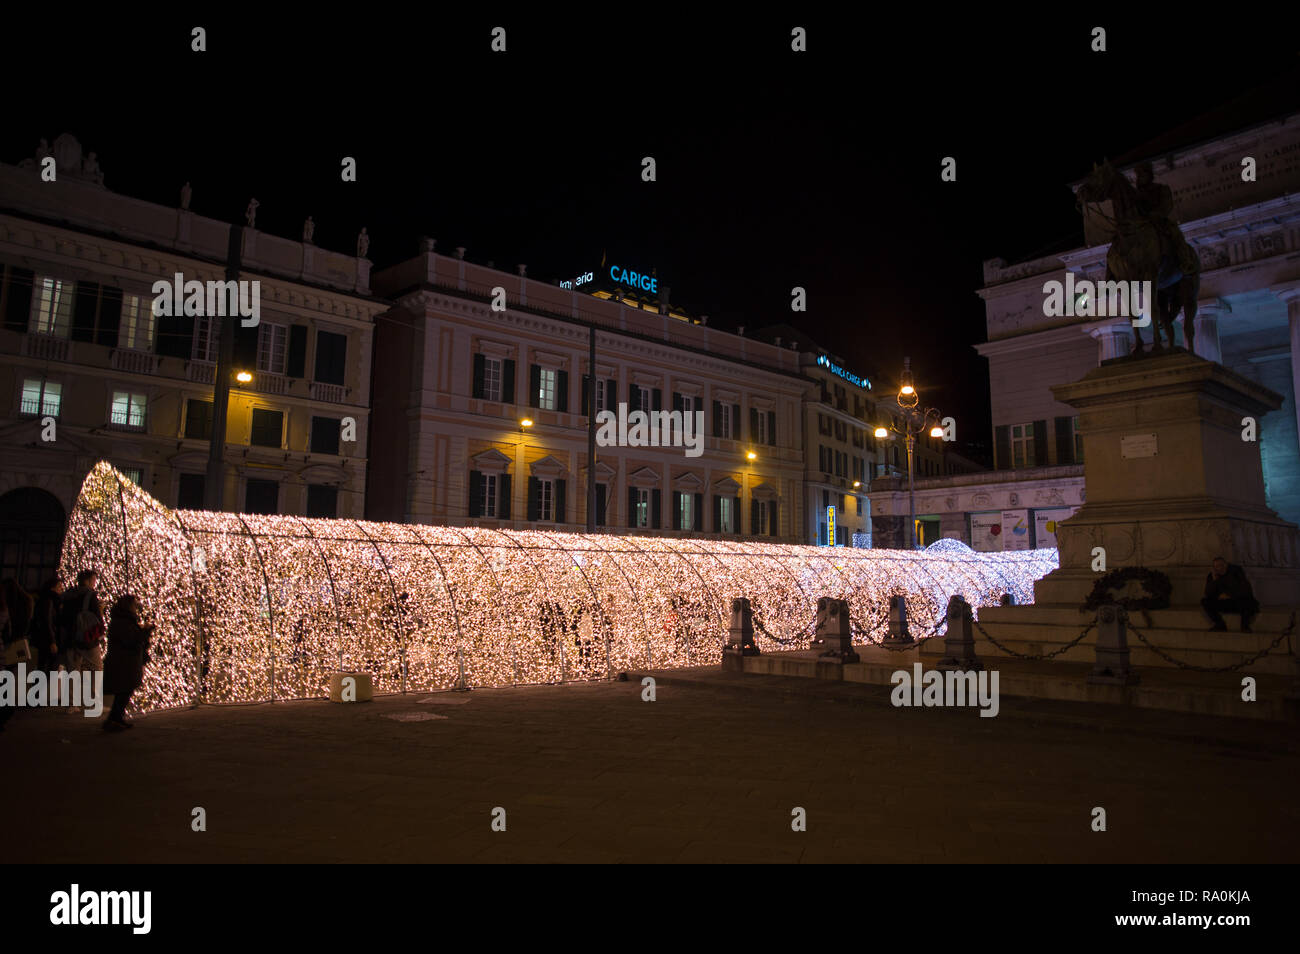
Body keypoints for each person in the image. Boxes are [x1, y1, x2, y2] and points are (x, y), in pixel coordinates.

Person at [103, 594, 154, 731]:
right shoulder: (123, 621)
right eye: (134, 605)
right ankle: (114, 719)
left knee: (124, 691)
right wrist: (146, 631)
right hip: (124, 661)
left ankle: (116, 718)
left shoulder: (122, 620)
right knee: (124, 691)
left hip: (125, 660)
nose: (136, 607)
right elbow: (132, 640)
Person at [60, 570, 105, 710]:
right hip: (87, 638)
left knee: (72, 670)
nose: (94, 582)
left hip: (70, 637)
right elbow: (97, 618)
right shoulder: (90, 595)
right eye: (94, 579)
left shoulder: (67, 595)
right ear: (89, 579)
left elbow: (61, 617)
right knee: (96, 669)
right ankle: (94, 701)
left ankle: (72, 704)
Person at [1202, 557, 1259, 632]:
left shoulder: (1236, 572)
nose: (1219, 568)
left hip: (1237, 601)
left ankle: (1245, 626)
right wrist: (1214, 581)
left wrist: (1229, 595)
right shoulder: (1212, 576)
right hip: (1223, 603)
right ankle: (1220, 624)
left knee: (1249, 601)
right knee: (1205, 602)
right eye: (1216, 566)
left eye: (1221, 565)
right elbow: (1208, 593)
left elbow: (1245, 589)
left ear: (1226, 565)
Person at [30, 578, 64, 677]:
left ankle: (38, 690)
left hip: (46, 639)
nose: (61, 589)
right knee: (46, 667)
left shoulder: (50, 600)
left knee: (46, 667)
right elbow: (47, 621)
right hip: (47, 640)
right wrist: (52, 641)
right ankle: (38, 691)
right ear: (52, 588)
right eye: (59, 586)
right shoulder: (49, 601)